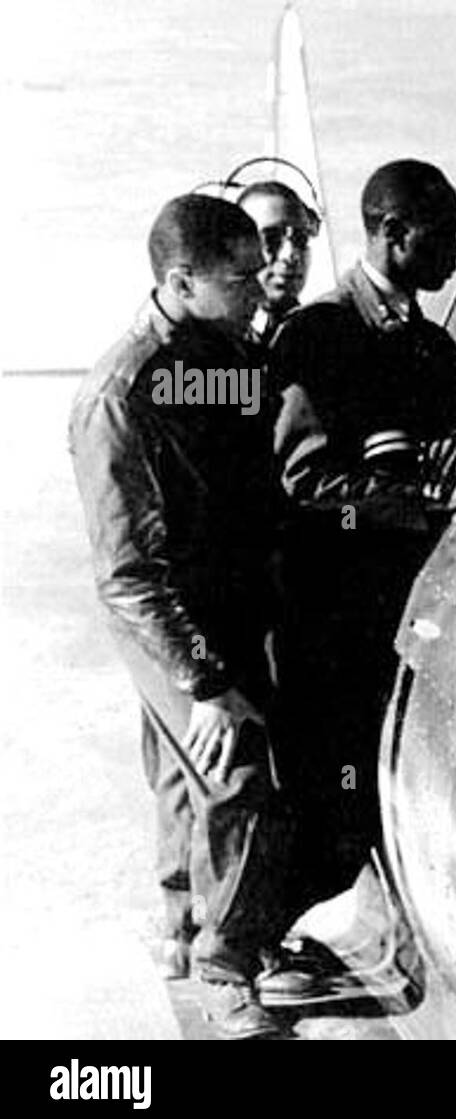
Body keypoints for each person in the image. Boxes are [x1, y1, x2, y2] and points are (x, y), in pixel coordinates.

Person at [69, 195, 299, 1038]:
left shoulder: (222, 354)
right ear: (180, 280)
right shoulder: (120, 396)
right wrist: (202, 679)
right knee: (232, 760)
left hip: (228, 596)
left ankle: (184, 925)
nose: (262, 291)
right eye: (242, 279)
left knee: (179, 773)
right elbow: (128, 573)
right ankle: (225, 966)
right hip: (163, 612)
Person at [269, 159, 456, 930]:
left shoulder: (430, 344)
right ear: (395, 234)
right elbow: (306, 485)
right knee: (333, 803)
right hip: (339, 614)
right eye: (444, 238)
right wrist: (414, 507)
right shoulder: (320, 336)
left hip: (409, 604)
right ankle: (254, 943)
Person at [236, 180, 319, 345]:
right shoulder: (205, 343)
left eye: (300, 239)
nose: (290, 254)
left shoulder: (329, 337)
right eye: (271, 239)